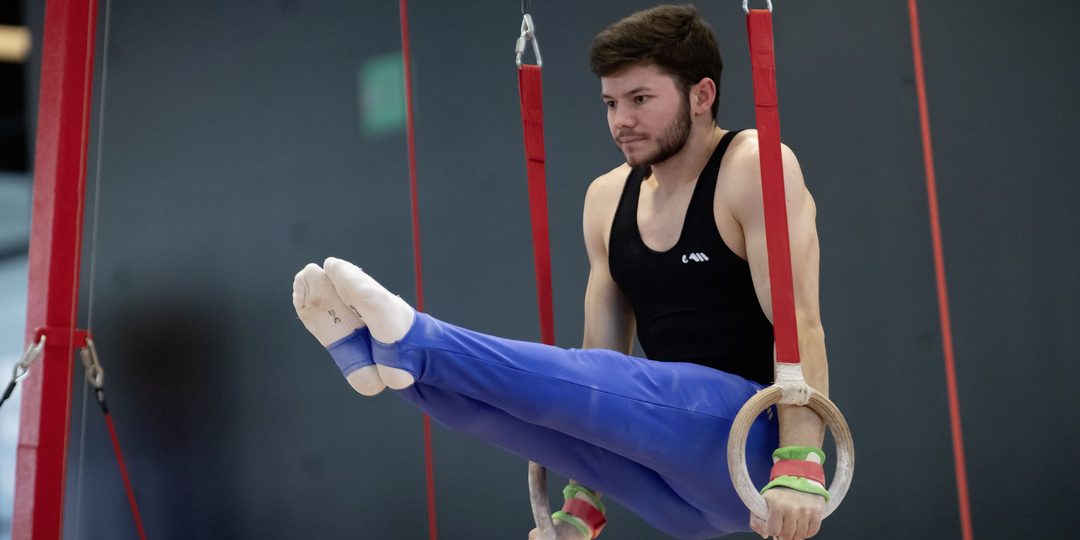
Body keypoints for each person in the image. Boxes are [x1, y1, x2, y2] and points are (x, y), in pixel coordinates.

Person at [292, 5, 829, 540]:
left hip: (752, 446)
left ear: (701, 95)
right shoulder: (605, 197)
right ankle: (392, 365)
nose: (621, 121)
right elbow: (594, 369)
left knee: (624, 386)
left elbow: (800, 319)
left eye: (641, 99)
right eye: (611, 103)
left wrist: (802, 463)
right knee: (526, 419)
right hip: (673, 491)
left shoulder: (752, 167)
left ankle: (417, 340)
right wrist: (579, 508)